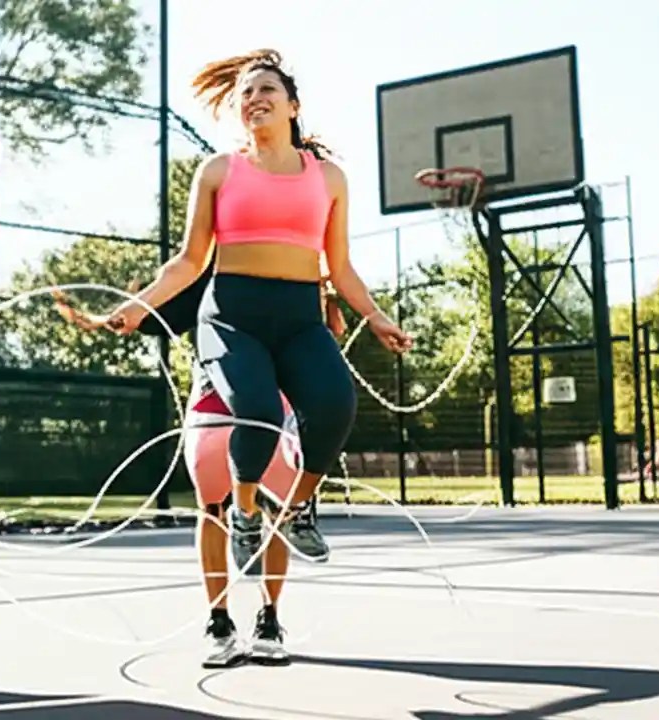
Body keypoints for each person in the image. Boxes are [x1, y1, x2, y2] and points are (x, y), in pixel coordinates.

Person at [97, 49, 412, 575]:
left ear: (293, 104)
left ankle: (299, 507)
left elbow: (339, 266)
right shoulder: (219, 171)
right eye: (245, 93)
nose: (254, 98)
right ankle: (244, 513)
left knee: (335, 403)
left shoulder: (329, 178)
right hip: (232, 317)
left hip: (298, 319)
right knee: (258, 411)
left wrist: (375, 316)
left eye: (266, 89)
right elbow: (190, 260)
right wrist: (139, 305)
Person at [54, 266, 349, 669]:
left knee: (277, 511)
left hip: (272, 408)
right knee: (213, 509)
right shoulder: (209, 278)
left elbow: (330, 333)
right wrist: (127, 312)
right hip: (213, 406)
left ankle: (269, 619)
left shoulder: (288, 271)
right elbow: (159, 313)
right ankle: (219, 621)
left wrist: (327, 294)